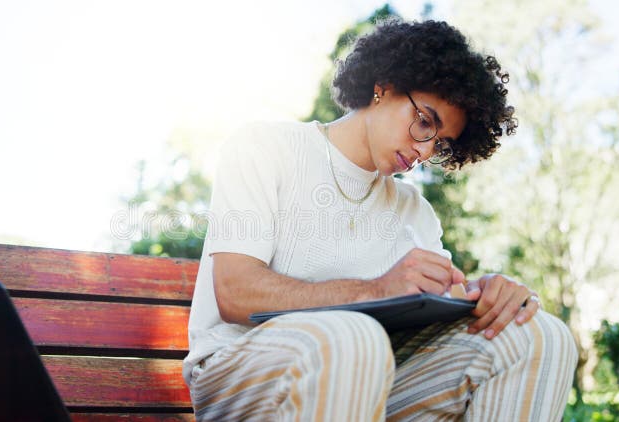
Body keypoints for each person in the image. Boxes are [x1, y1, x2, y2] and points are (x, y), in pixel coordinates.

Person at [183, 18, 577, 421]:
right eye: (425, 121)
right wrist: (375, 290)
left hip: (370, 379)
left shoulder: (414, 210)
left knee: (540, 337)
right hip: (237, 372)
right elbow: (235, 292)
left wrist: (494, 295)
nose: (424, 151)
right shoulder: (265, 147)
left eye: (441, 145)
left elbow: (448, 302)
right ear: (383, 85)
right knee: (354, 337)